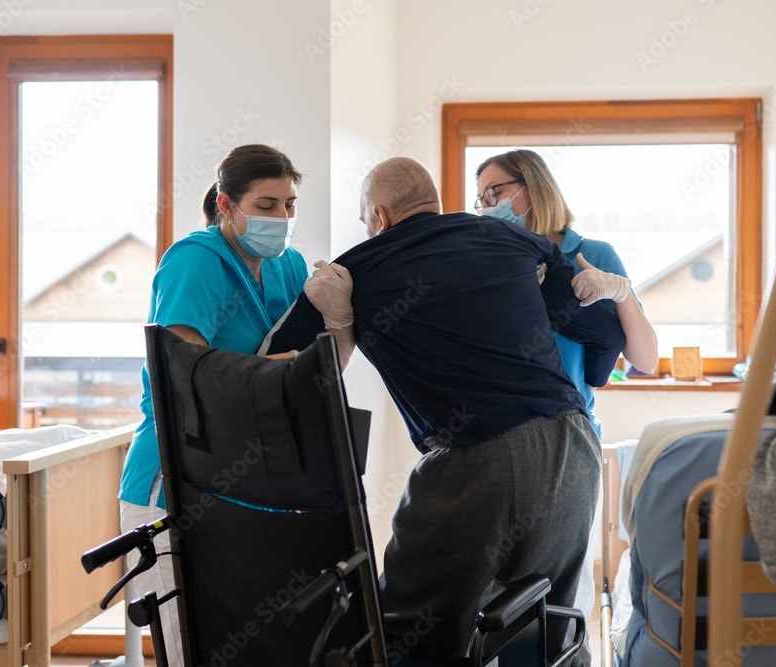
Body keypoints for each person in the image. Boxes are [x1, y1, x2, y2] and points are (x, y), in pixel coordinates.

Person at [262, 156, 625, 660]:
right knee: (543, 634)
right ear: (434, 201)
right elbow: (606, 332)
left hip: (478, 462)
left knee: (409, 637)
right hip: (575, 448)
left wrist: (339, 323)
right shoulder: (515, 241)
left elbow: (278, 382)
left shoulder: (356, 269)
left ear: (380, 218)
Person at [117, 144, 312, 666]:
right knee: (189, 646)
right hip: (176, 474)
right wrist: (280, 370)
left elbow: (307, 363)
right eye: (267, 205)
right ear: (226, 206)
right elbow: (181, 372)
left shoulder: (289, 266)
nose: (283, 218)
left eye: (290, 205)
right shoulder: (196, 261)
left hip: (246, 478)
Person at [475, 148, 658, 663]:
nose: (488, 205)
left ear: (532, 187)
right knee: (494, 589)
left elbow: (644, 359)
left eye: (497, 192)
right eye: (481, 197)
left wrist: (618, 291)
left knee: (557, 592)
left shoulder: (591, 251)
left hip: (568, 438)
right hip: (497, 438)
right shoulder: (488, 255)